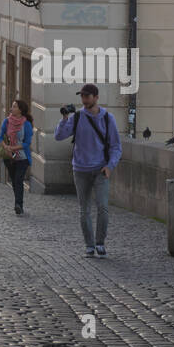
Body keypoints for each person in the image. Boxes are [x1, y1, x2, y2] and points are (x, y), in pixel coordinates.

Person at [53, 85, 122, 257]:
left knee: (103, 207)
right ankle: (89, 245)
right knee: (84, 210)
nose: (84, 99)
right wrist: (64, 118)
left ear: (96, 97)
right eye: (82, 96)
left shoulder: (107, 118)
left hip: (100, 169)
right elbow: (59, 136)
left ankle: (100, 243)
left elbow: (116, 146)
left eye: (87, 96)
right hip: (80, 169)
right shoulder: (77, 117)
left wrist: (110, 166)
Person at [0, 98, 33, 215]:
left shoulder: (27, 124)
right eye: (12, 106)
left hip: (22, 157)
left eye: (14, 106)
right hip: (9, 157)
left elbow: (27, 143)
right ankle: (17, 202)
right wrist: (6, 147)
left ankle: (19, 204)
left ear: (20, 110)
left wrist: (13, 148)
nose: (11, 108)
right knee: (14, 180)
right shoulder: (7, 122)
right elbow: (0, 137)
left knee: (19, 179)